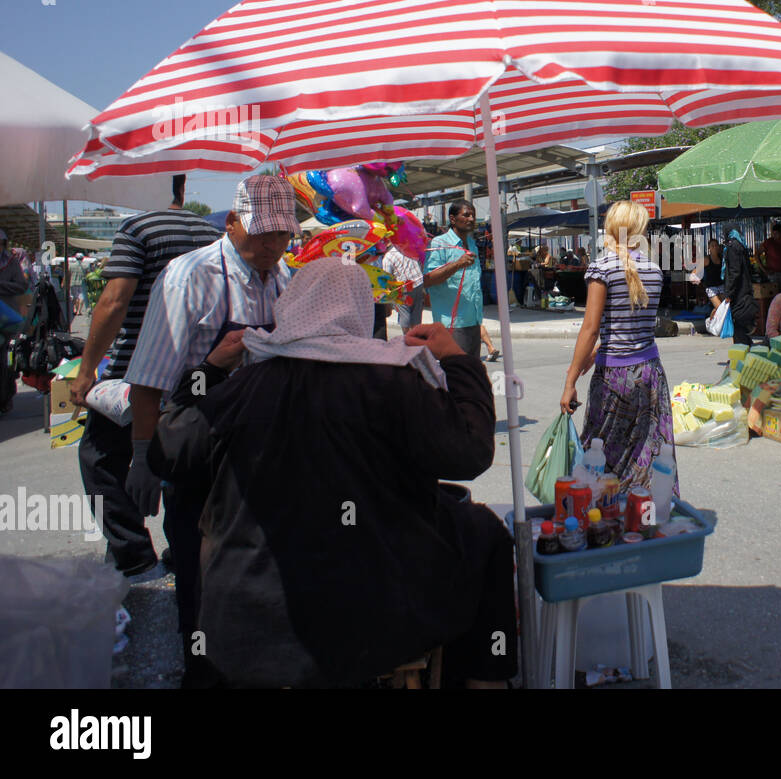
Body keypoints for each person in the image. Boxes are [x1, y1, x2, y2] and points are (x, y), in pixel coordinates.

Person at [148, 258, 516, 687]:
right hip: (380, 625)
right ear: (360, 310)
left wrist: (209, 370)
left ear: (292, 307)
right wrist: (458, 360)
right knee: (485, 533)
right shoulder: (394, 380)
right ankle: (485, 678)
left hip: (245, 624)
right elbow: (470, 452)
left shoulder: (244, 385)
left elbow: (166, 450)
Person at [123, 175, 296, 685]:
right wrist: (141, 458)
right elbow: (154, 384)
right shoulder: (189, 277)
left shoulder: (282, 277)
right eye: (264, 234)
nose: (273, 246)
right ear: (234, 221)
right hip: (200, 448)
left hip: (261, 457)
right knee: (202, 588)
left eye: (283, 235)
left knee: (257, 580)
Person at [70, 175, 220, 582]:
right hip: (196, 375)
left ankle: (133, 553)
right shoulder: (212, 232)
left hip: (136, 372)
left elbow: (115, 299)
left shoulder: (138, 228)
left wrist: (86, 371)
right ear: (183, 190)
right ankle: (187, 549)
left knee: (99, 458)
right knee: (183, 465)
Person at [560, 201, 674, 494]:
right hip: (650, 374)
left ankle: (602, 515)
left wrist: (570, 380)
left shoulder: (602, 268)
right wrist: (595, 352)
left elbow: (590, 328)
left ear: (611, 227)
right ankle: (643, 516)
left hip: (615, 377)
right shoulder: (654, 270)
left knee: (602, 452)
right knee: (645, 454)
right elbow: (632, 327)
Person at [424, 200, 484, 358]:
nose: (471, 219)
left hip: (474, 321)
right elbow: (428, 279)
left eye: (473, 215)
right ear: (453, 219)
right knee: (456, 376)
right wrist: (457, 264)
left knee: (471, 375)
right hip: (452, 324)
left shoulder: (472, 244)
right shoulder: (439, 243)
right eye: (466, 215)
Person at [722, 227, 758, 345]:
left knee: (738, 325)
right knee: (741, 326)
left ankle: (741, 355)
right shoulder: (741, 245)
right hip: (744, 290)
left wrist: (729, 293)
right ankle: (745, 353)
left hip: (738, 294)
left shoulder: (733, 247)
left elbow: (734, 272)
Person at [382, 243, 427, 332]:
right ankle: (415, 337)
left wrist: (388, 300)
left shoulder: (389, 257)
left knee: (404, 315)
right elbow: (420, 264)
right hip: (418, 283)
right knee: (416, 315)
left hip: (403, 289)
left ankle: (407, 338)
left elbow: (386, 279)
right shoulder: (409, 248)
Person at [0, 230, 33, 322]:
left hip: (5, 313)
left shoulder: (11, 262)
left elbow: (22, 285)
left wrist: (2, 286)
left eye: (1, 244)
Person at [758, 222, 781, 292]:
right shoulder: (768, 242)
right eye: (773, 234)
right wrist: (764, 269)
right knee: (774, 294)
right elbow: (757, 255)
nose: (774, 236)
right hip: (773, 274)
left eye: (776, 234)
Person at [700, 237, 725, 310]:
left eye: (716, 245)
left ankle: (710, 320)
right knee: (720, 308)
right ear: (709, 248)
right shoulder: (706, 259)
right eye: (712, 246)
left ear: (718, 247)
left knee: (723, 308)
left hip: (721, 285)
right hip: (711, 287)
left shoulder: (722, 258)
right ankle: (711, 320)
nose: (714, 247)